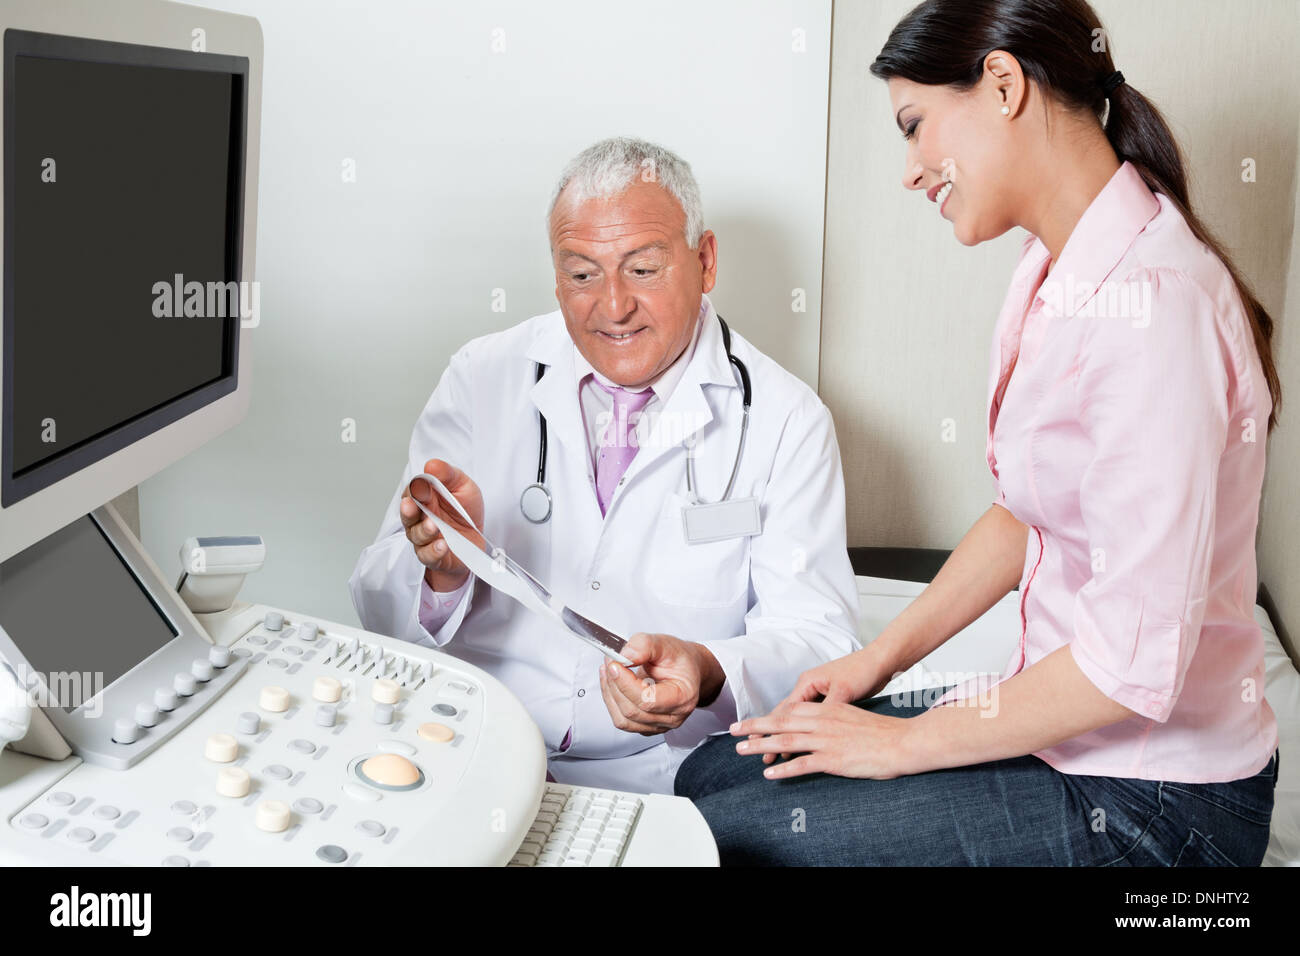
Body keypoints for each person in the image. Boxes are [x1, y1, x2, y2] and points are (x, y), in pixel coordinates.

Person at [674, 0, 1282, 865]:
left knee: (733, 833)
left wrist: (896, 747)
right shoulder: (1053, 267)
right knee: (718, 770)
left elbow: (1128, 664)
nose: (912, 170)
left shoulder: (1156, 310)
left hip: (1161, 804)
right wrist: (871, 668)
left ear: (1002, 84)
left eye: (916, 127)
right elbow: (1025, 516)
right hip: (1069, 736)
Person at [349, 137, 860, 795]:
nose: (612, 306)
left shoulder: (786, 419)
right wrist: (443, 573)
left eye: (642, 269)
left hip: (663, 772)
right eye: (583, 273)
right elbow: (373, 602)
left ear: (704, 261)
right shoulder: (484, 376)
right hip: (472, 745)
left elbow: (820, 641)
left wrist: (706, 667)